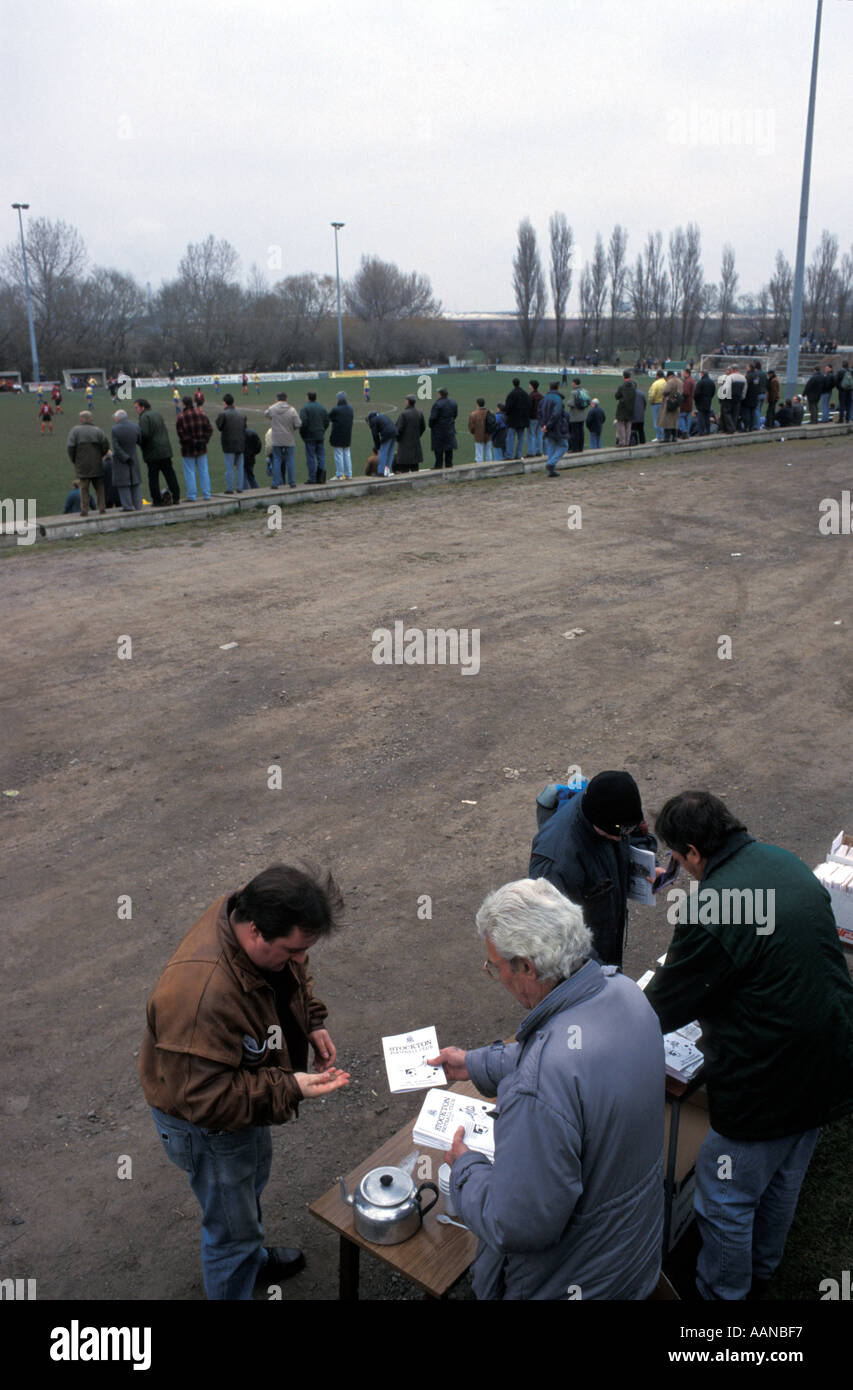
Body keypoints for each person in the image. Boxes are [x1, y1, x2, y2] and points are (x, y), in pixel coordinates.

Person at [644, 790, 853, 1301]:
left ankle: (725, 1298)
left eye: (676, 855)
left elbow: (661, 1009)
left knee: (725, 1198)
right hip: (832, 1058)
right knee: (782, 1177)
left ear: (693, 851)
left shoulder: (712, 905)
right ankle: (763, 1269)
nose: (678, 866)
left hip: (768, 1081)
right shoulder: (782, 860)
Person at [429, 878, 665, 1301]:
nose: (494, 975)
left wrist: (465, 1169)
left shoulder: (537, 1089)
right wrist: (473, 1063)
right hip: (633, 1253)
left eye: (494, 966)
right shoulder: (625, 994)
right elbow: (570, 1046)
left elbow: (516, 1224)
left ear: (527, 968)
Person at [139, 863, 350, 1301]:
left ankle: (248, 1255)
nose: (299, 959)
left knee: (248, 1185)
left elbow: (293, 975)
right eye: (292, 950)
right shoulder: (200, 995)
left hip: (243, 1096)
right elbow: (204, 1099)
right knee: (229, 1232)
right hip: (207, 1127)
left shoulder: (253, 911)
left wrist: (309, 1019)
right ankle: (239, 1263)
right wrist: (290, 1088)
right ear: (256, 933)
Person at [529, 770, 656, 968]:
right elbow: (557, 936)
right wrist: (600, 975)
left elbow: (636, 835)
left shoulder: (613, 807)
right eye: (615, 834)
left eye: (626, 832)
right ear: (596, 821)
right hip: (584, 964)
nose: (620, 838)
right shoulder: (556, 864)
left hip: (607, 936)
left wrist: (647, 866)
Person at [134, 399, 181, 506]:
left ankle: (156, 500)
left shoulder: (144, 417)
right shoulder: (157, 414)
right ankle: (176, 497)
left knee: (153, 477)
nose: (136, 410)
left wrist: (139, 442)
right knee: (170, 475)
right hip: (165, 450)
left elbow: (144, 435)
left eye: (136, 407)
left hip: (152, 452)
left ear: (142, 407)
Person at [66, 410, 109, 516]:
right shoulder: (98, 431)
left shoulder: (75, 431)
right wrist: (100, 455)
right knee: (99, 487)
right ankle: (102, 508)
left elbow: (70, 447)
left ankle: (84, 509)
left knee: (84, 488)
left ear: (81, 419)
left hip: (82, 464)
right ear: (90, 419)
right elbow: (106, 445)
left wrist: (74, 459)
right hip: (97, 463)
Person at [175, 395, 213, 502]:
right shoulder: (202, 414)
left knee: (190, 472)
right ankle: (207, 494)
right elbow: (209, 430)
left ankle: (192, 495)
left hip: (188, 449)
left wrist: (192, 442)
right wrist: (204, 441)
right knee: (204, 471)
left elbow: (181, 434)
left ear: (184, 404)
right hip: (201, 448)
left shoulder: (181, 417)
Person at [264, 392, 301, 488]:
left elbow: (266, 414)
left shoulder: (273, 409)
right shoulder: (292, 410)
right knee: (290, 460)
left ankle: (275, 483)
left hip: (276, 438)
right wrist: (291, 429)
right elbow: (298, 424)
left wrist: (273, 406)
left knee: (277, 460)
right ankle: (292, 482)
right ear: (286, 399)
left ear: (277, 399)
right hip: (289, 438)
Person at [111, 409, 143, 511]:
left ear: (117, 418)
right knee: (135, 482)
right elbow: (139, 440)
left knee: (123, 484)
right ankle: (138, 505)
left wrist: (125, 457)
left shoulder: (115, 429)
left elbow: (116, 447)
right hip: (134, 457)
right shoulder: (136, 426)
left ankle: (128, 506)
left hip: (121, 461)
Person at [216, 393, 247, 494]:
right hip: (240, 444)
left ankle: (230, 488)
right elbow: (244, 428)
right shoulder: (242, 415)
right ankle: (240, 487)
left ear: (225, 403)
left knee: (229, 468)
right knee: (240, 468)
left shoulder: (223, 414)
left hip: (228, 445)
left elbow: (219, 426)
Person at [537, 380, 567, 477]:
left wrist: (543, 425)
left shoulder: (544, 398)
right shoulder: (557, 399)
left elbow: (539, 413)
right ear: (558, 387)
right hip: (556, 426)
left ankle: (551, 471)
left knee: (551, 447)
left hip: (547, 427)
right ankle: (551, 464)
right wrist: (548, 425)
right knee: (564, 446)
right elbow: (556, 414)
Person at [299, 391, 330, 484]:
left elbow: (303, 423)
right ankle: (322, 478)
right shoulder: (322, 408)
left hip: (309, 437)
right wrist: (322, 430)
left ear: (308, 398)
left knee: (311, 458)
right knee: (321, 457)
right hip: (320, 435)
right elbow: (327, 421)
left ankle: (312, 478)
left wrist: (303, 434)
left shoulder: (305, 408)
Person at [395, 394, 426, 473]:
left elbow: (398, 429)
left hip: (404, 446)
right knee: (415, 469)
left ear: (407, 402)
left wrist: (398, 439)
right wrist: (417, 436)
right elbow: (423, 427)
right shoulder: (419, 413)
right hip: (415, 444)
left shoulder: (403, 414)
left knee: (404, 470)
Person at [428, 387, 458, 468]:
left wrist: (431, 425)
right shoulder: (453, 403)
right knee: (449, 448)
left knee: (438, 449)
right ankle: (449, 464)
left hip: (438, 430)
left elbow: (433, 418)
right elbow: (455, 415)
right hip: (449, 428)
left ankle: (438, 465)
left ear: (440, 394)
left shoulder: (437, 404)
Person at [329, 391, 355, 479]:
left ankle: (339, 474)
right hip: (347, 434)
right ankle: (349, 474)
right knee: (347, 454)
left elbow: (328, 417)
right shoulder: (350, 409)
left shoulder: (336, 409)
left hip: (337, 434)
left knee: (338, 454)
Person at [503, 378, 530, 459]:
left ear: (513, 383)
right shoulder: (525, 394)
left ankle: (509, 455)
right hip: (523, 420)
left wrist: (507, 413)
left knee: (510, 438)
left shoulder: (511, 394)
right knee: (520, 438)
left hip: (513, 420)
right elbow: (529, 405)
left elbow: (508, 407)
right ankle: (518, 454)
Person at [366, 410, 397, 475]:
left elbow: (375, 435)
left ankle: (381, 472)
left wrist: (378, 447)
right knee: (390, 453)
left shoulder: (372, 421)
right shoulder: (381, 416)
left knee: (383, 453)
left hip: (387, 434)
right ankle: (387, 471)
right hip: (394, 432)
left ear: (368, 420)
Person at [467, 397, 493, 463]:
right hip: (488, 435)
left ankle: (479, 468)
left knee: (479, 454)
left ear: (477, 404)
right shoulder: (490, 413)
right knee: (488, 452)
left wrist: (473, 432)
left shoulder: (473, 414)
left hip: (478, 436)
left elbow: (471, 426)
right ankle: (490, 466)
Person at [614, 370, 636, 447]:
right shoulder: (633, 387)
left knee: (621, 425)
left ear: (623, 377)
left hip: (622, 408)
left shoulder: (622, 386)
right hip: (631, 408)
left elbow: (616, 396)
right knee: (628, 426)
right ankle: (627, 442)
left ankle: (622, 442)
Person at [659, 371, 683, 441]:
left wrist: (662, 392)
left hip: (669, 403)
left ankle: (667, 438)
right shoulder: (680, 381)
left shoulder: (670, 382)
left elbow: (665, 391)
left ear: (669, 376)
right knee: (675, 421)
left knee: (667, 421)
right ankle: (675, 437)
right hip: (677, 403)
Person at [566, 378, 587, 453]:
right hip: (582, 414)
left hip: (575, 415)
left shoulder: (573, 392)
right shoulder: (583, 391)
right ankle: (580, 448)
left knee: (574, 433)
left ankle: (575, 448)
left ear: (574, 383)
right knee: (581, 432)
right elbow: (587, 402)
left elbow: (571, 403)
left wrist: (568, 402)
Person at [648, 369, 667, 441]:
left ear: (657, 375)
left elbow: (652, 394)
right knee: (663, 420)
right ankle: (664, 435)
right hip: (664, 403)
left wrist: (651, 401)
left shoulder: (655, 384)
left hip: (656, 403)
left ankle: (659, 436)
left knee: (656, 421)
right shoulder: (666, 383)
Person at [526, 379, 543, 455]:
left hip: (532, 417)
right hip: (540, 417)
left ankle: (531, 452)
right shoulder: (541, 396)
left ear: (532, 386)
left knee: (531, 435)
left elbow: (529, 407)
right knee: (539, 435)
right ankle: (538, 451)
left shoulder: (531, 396)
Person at [243, 425, 261, 489]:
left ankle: (245, 491)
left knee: (243, 475)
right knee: (250, 475)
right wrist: (254, 453)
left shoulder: (238, 433)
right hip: (251, 457)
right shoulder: (253, 432)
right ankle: (256, 489)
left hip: (241, 457)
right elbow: (258, 445)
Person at [679, 370, 695, 438]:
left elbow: (686, 393)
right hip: (690, 403)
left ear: (687, 373)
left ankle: (684, 431)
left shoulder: (687, 381)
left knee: (681, 417)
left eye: (683, 373)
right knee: (688, 419)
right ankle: (687, 434)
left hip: (685, 403)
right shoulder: (692, 380)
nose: (682, 374)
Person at [836, 359, 853, 425]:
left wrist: (839, 388)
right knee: (849, 405)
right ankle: (847, 419)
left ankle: (841, 419)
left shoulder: (840, 371)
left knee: (842, 405)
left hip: (842, 390)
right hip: (850, 390)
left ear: (842, 365)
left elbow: (836, 380)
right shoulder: (851, 371)